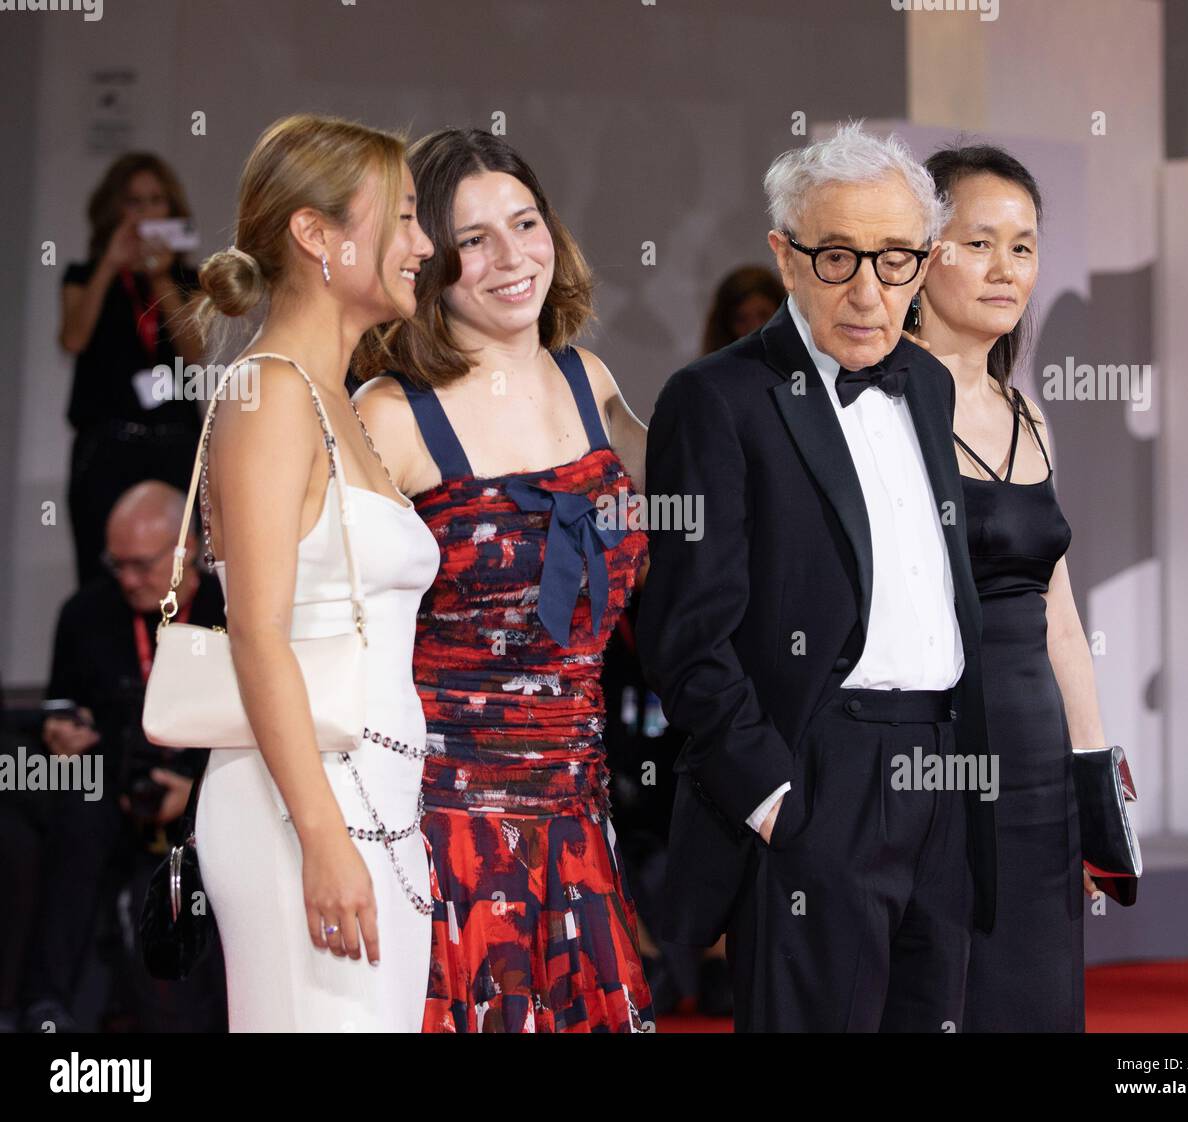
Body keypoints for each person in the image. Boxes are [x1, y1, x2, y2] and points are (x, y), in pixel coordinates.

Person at [637, 121, 996, 1033]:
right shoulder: (716, 399)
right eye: (837, 258)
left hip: (943, 767)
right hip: (819, 771)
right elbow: (686, 633)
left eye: (897, 260)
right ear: (785, 256)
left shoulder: (927, 382)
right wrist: (773, 799)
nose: (871, 292)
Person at [353, 128, 654, 1033]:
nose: (511, 256)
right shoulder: (390, 415)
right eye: (474, 238)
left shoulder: (588, 381)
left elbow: (707, 498)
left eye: (525, 223)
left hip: (579, 809)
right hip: (444, 822)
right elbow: (323, 621)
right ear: (430, 260)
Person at [191, 113, 437, 1032]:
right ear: (315, 233)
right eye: (404, 217)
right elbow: (257, 630)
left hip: (378, 797)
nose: (422, 245)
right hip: (300, 809)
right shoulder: (271, 392)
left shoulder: (344, 399)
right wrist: (323, 839)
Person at [916, 143, 1102, 1032]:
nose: (1005, 268)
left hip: (1038, 759)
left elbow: (1059, 614)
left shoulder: (1029, 412)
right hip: (931, 753)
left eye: (1023, 247)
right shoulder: (874, 404)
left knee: (1036, 993)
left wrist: (1093, 762)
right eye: (978, 241)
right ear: (921, 252)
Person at [20, 481, 227, 1032]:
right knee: (76, 817)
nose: (128, 579)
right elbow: (58, 704)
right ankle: (45, 1002)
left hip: (204, 783)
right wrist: (59, 730)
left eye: (141, 565)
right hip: (111, 785)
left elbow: (252, 723)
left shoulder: (229, 608)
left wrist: (198, 792)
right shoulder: (88, 611)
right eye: (118, 564)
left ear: (186, 549)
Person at [59, 153, 206, 587]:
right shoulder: (84, 275)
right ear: (115, 210)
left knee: (175, 570)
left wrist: (160, 278)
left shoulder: (187, 280)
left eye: (156, 201)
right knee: (103, 572)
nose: (145, 213)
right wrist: (109, 264)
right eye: (134, 202)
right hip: (108, 447)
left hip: (174, 446)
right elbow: (73, 339)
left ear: (172, 210)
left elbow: (194, 351)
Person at [700, 265, 786, 356]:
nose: (755, 327)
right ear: (726, 326)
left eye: (764, 315)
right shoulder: (714, 368)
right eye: (742, 320)